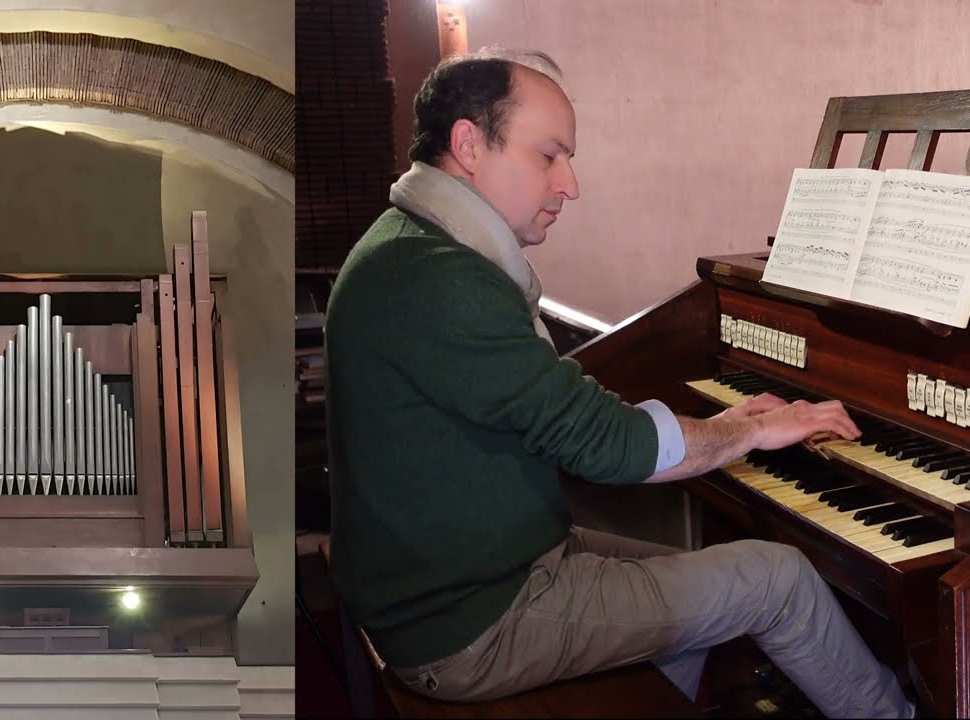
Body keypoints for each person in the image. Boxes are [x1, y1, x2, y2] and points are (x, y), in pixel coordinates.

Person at [324, 48, 915, 719]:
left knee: (685, 577)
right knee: (776, 578)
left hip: (467, 575)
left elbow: (557, 403)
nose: (569, 184)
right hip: (466, 623)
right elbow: (607, 446)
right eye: (549, 155)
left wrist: (720, 430)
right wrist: (746, 428)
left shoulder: (407, 243)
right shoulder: (440, 278)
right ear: (469, 144)